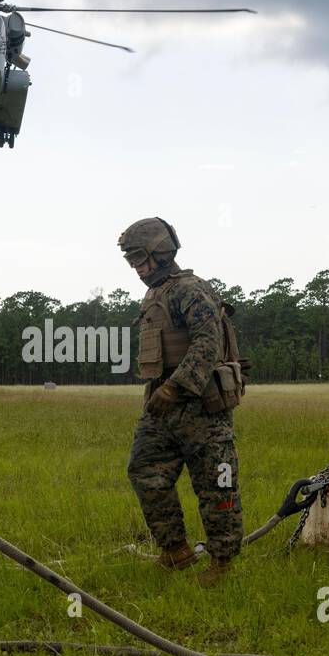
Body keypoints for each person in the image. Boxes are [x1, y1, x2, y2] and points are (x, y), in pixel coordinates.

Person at [121, 217, 246, 588]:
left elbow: (207, 344)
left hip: (200, 406)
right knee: (144, 470)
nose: (137, 269)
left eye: (141, 259)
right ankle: (175, 550)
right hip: (162, 407)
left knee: (216, 484)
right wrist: (161, 394)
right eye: (132, 262)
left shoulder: (191, 290)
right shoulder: (155, 294)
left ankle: (222, 565)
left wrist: (174, 389)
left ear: (162, 254)